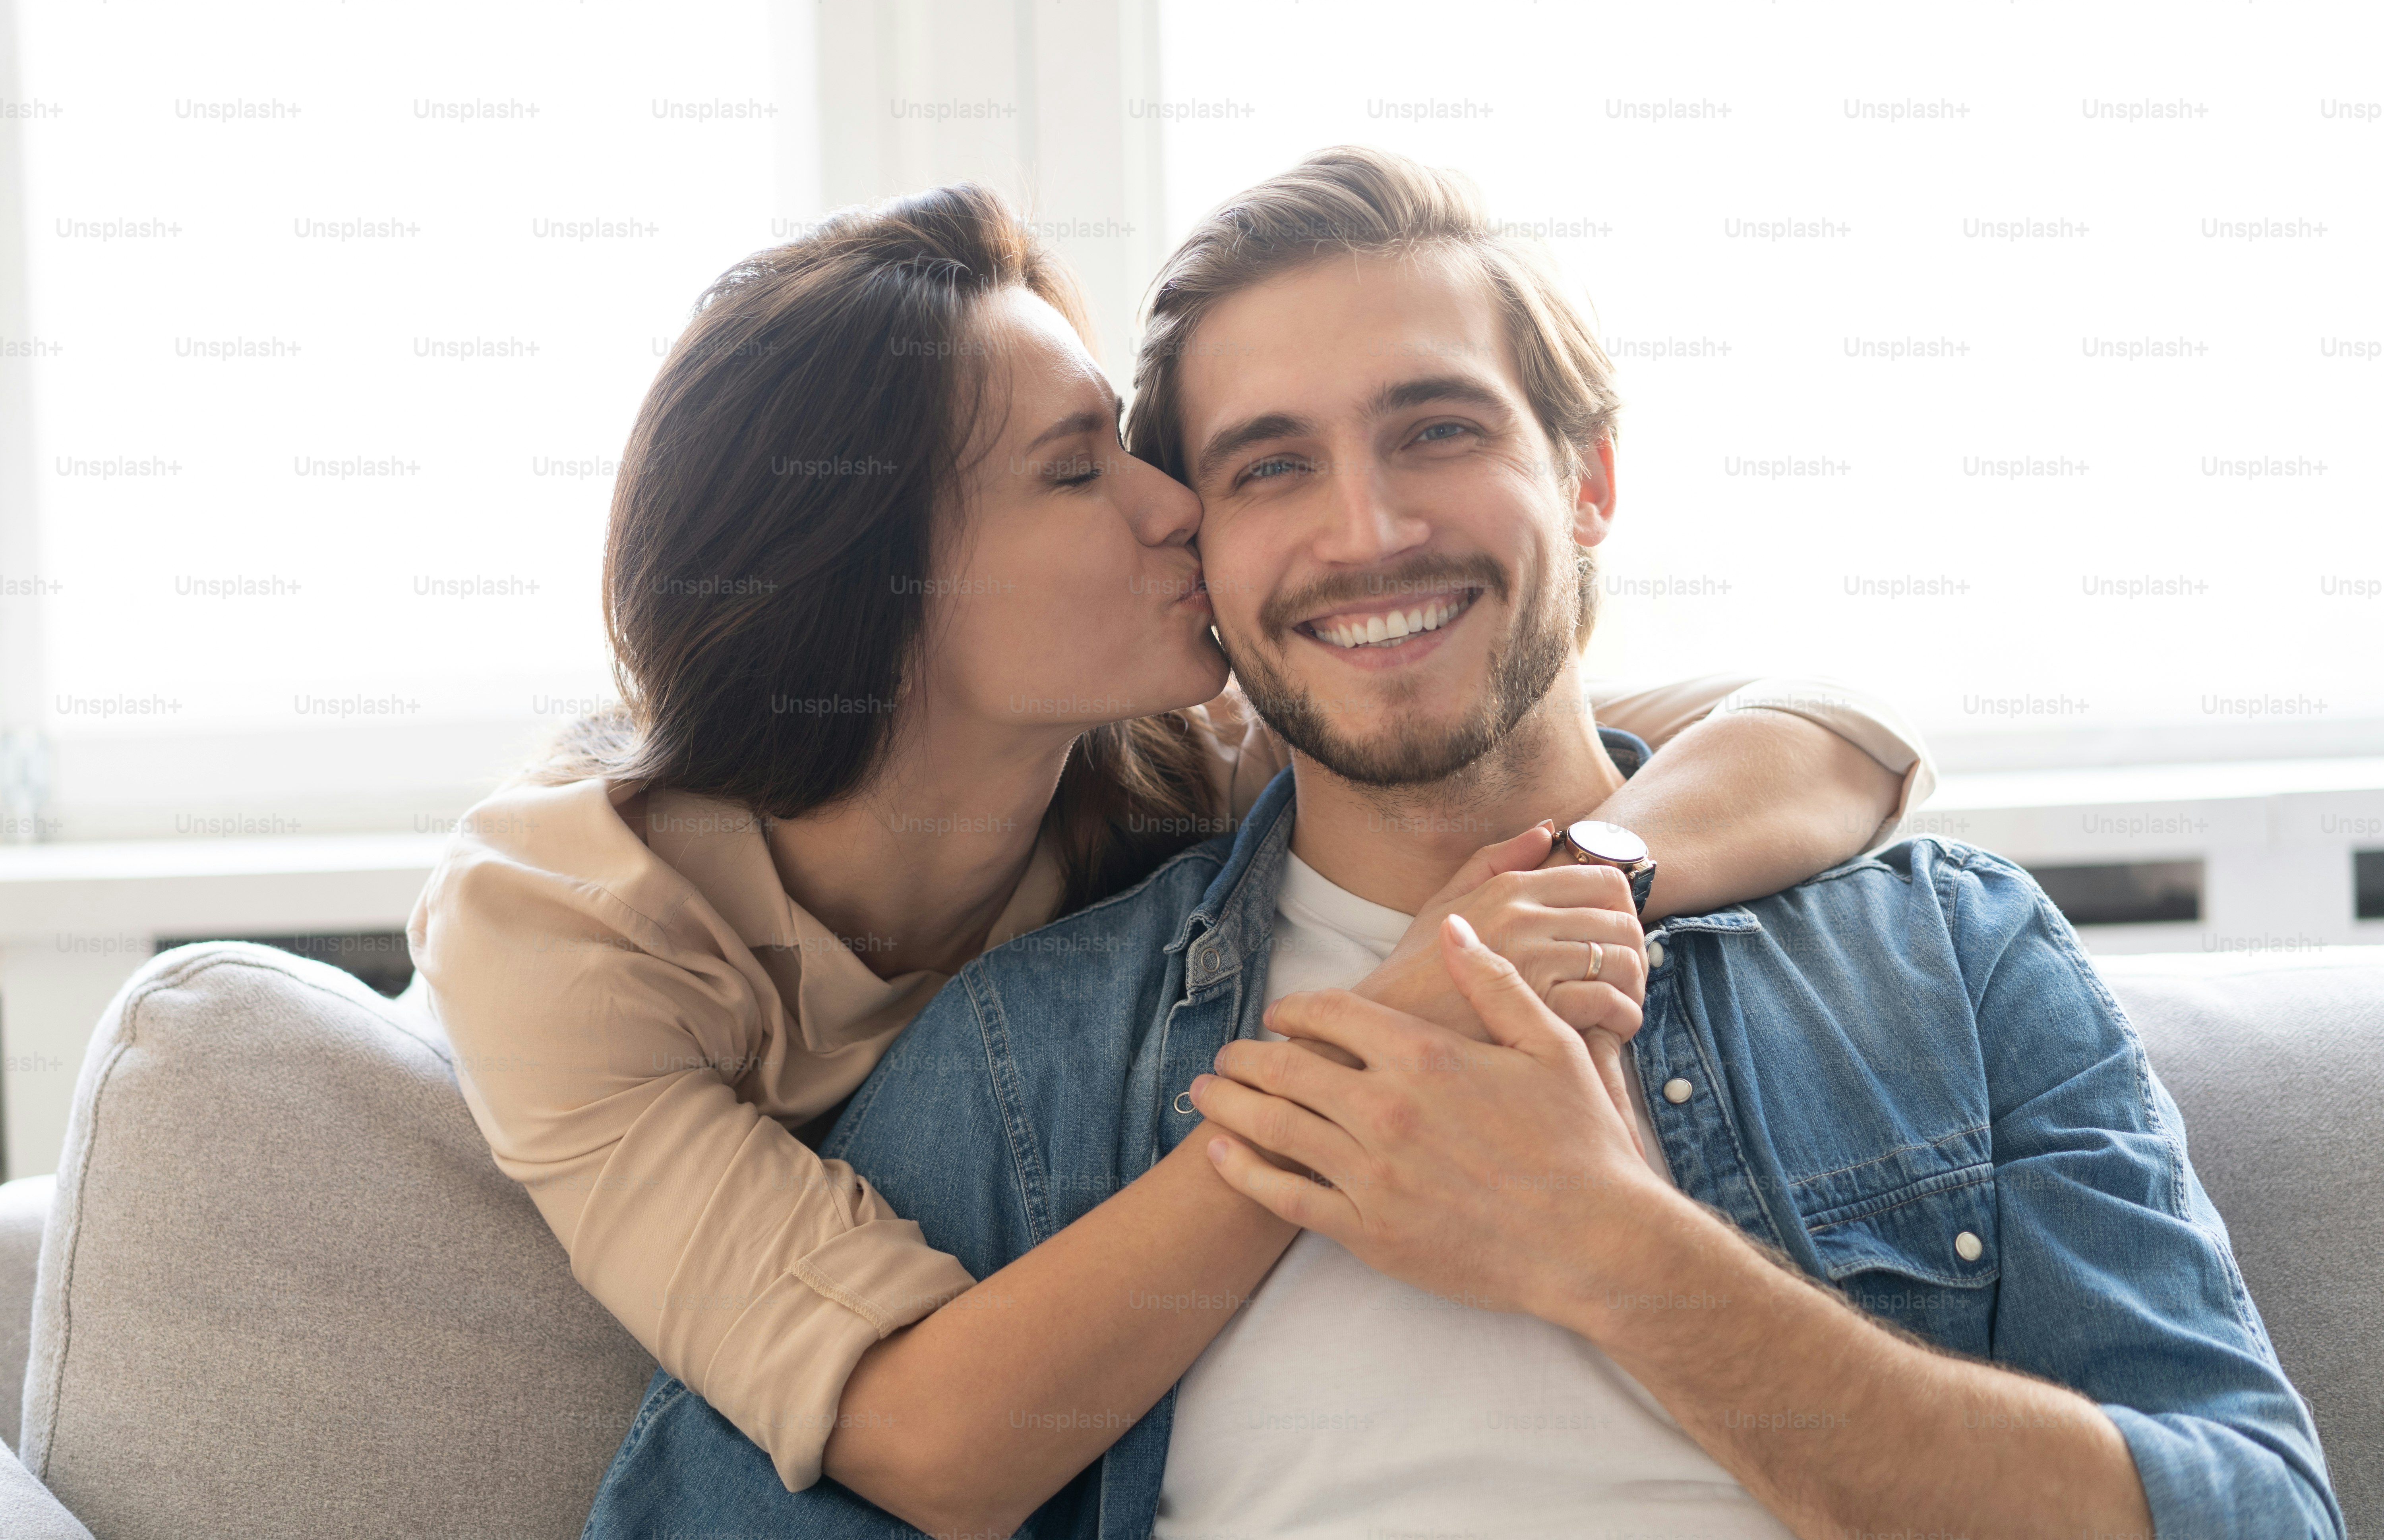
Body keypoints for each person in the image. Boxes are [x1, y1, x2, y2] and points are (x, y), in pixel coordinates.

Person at [581, 148, 2341, 1539]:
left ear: (1589, 482)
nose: (1369, 529)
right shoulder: (1032, 1054)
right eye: (1270, 468)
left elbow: (2253, 1512)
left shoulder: (1941, 955)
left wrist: (1614, 1255)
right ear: (1198, 553)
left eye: (1437, 431)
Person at [408, 184, 1936, 1520]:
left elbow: (1830, 730)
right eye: (1081, 472)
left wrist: (1584, 870)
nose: (1178, 505)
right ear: (881, 587)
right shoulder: (565, 926)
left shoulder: (1181, 756)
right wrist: (1398, 1022)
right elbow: (933, 1448)